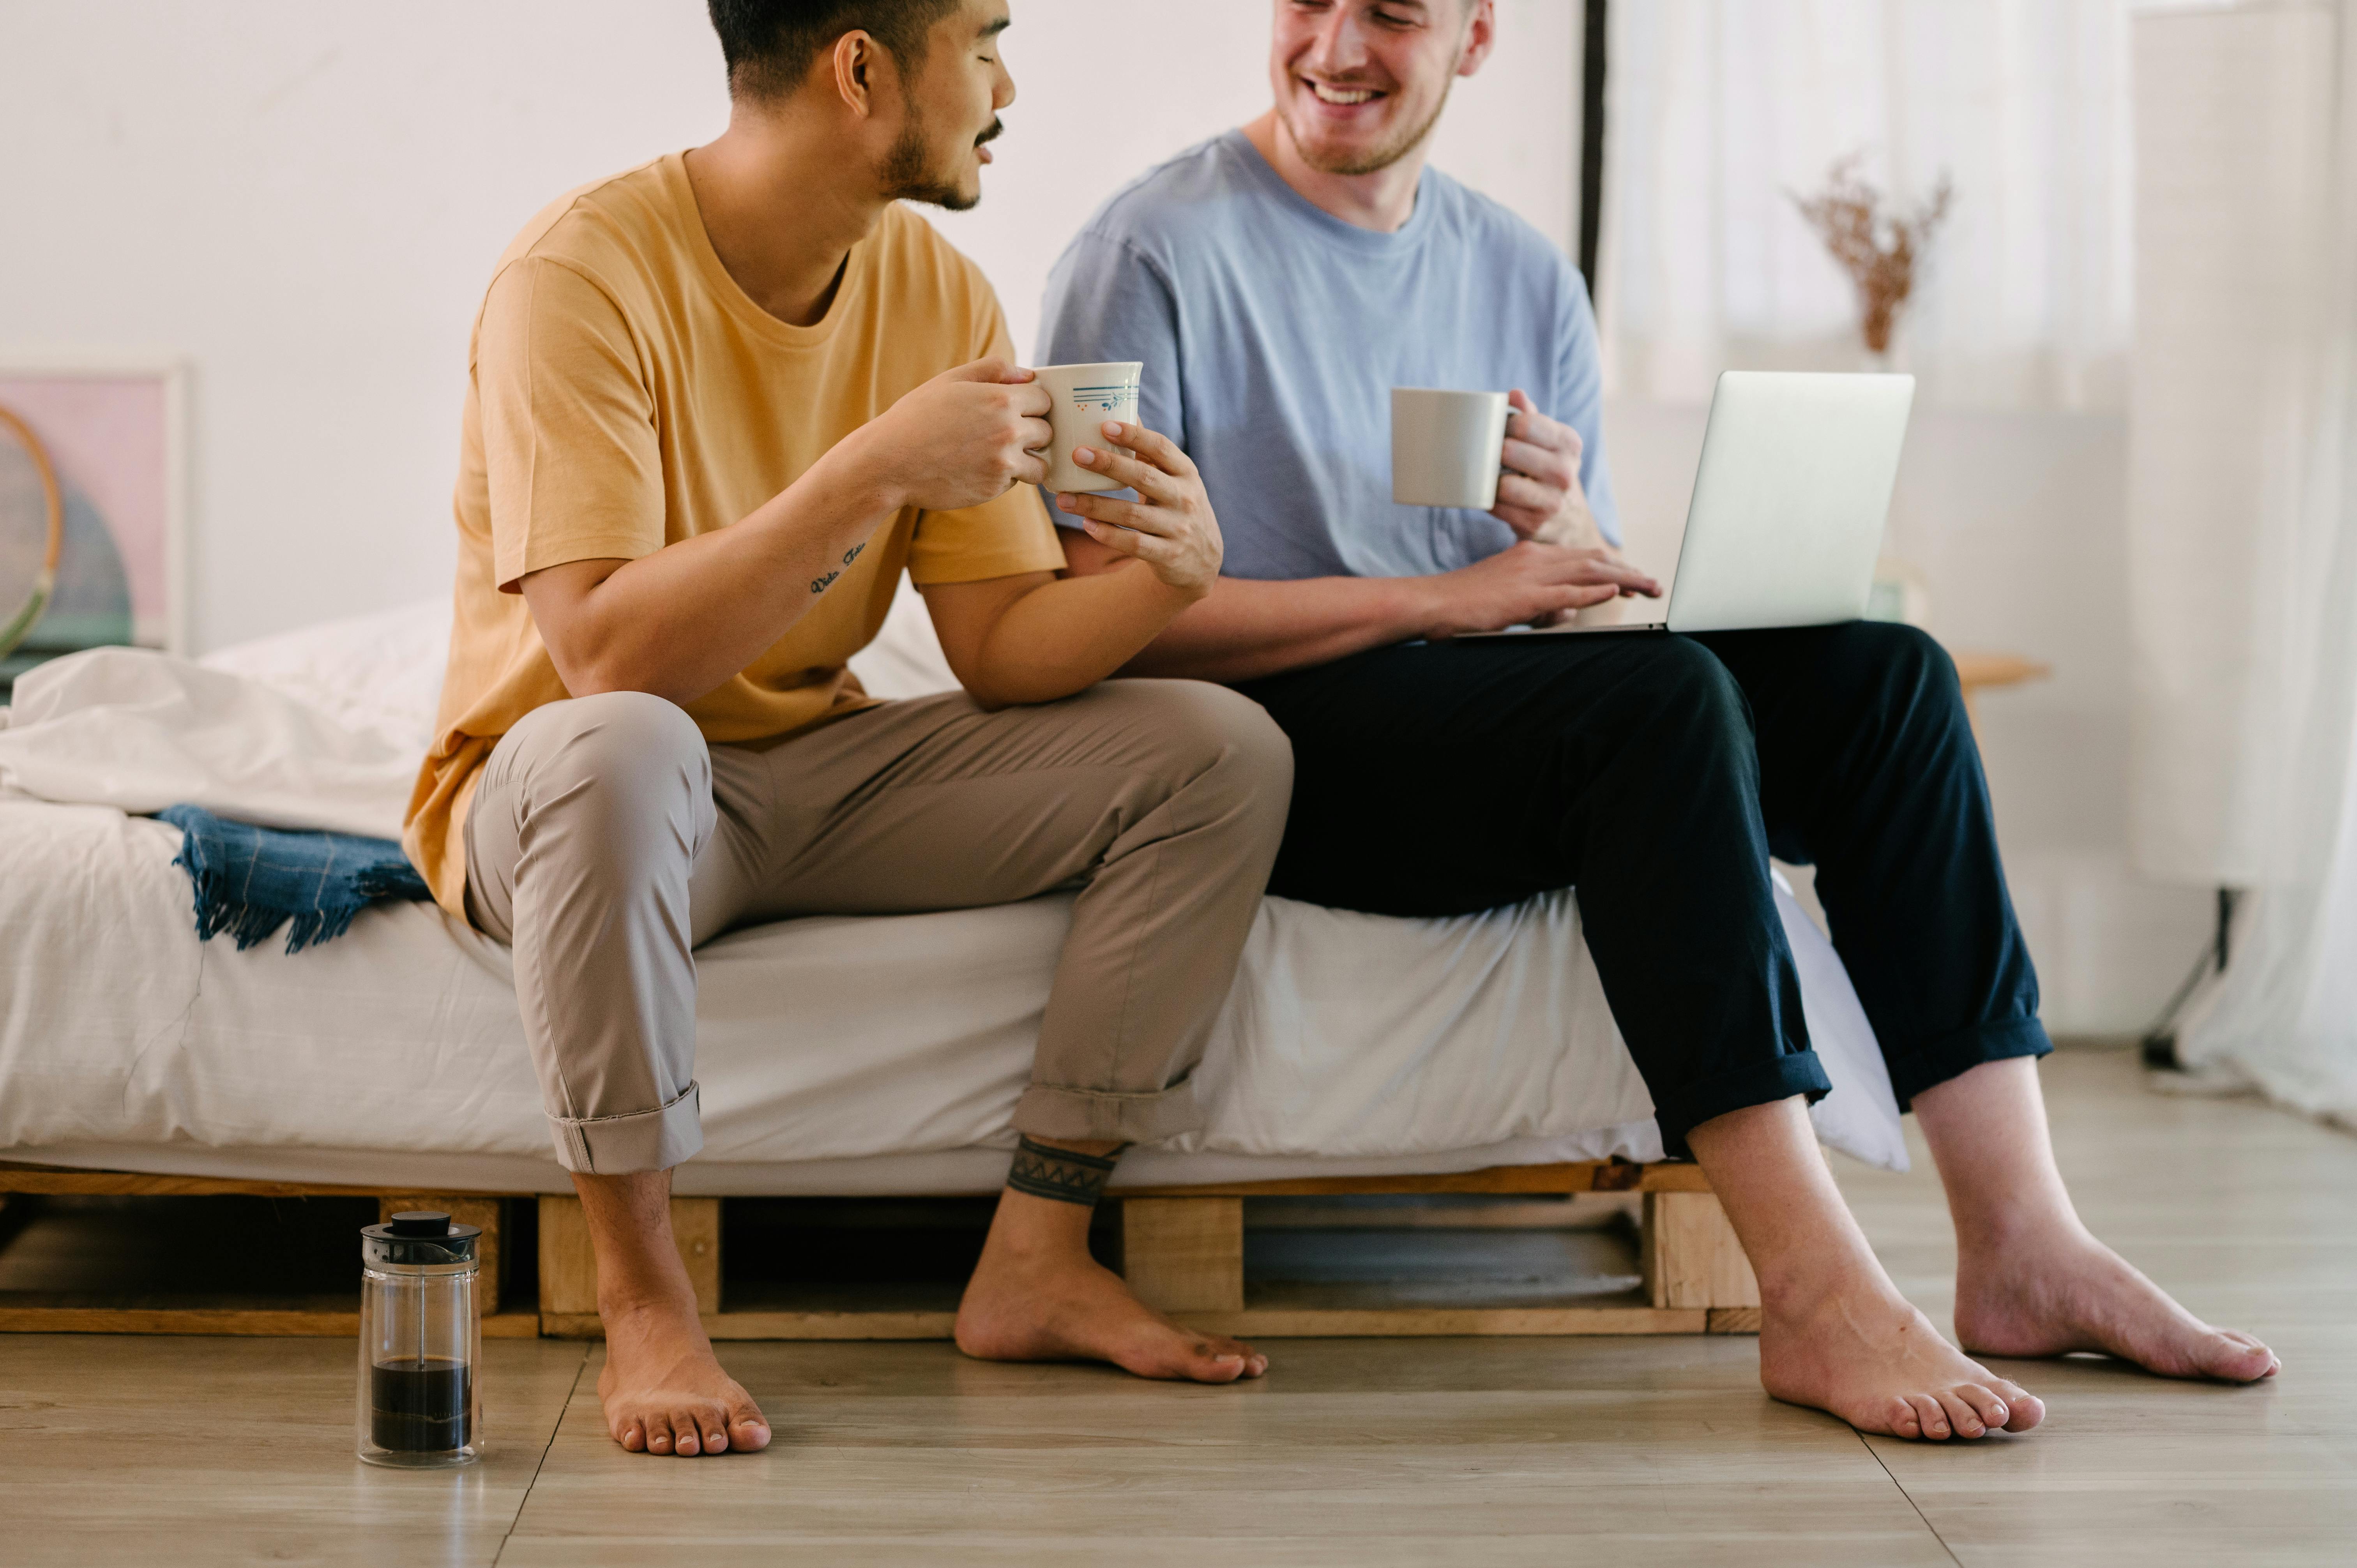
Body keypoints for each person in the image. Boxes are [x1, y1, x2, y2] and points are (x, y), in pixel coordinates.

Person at [1037, 0, 2280, 1441]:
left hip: (1489, 702)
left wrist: (1565, 532)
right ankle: (1813, 1290)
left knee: (1890, 679)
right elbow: (1105, 613)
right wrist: (1442, 602)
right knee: (1664, 703)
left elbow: (1575, 605)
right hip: (1271, 743)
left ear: (1477, 38)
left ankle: (2025, 1241)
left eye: (1392, 12)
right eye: (1311, 0)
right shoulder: (1147, 253)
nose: (1337, 44)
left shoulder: (1519, 272)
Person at [404, 0, 1290, 1459]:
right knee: (627, 750)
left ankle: (1038, 1256)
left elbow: (1002, 651)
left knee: (1218, 749)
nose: (1009, 83)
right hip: (585, 790)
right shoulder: (576, 277)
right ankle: (645, 1302)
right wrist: (870, 472)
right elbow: (607, 653)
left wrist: (1168, 580)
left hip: (810, 771)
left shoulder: (939, 292)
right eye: (987, 40)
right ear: (864, 68)